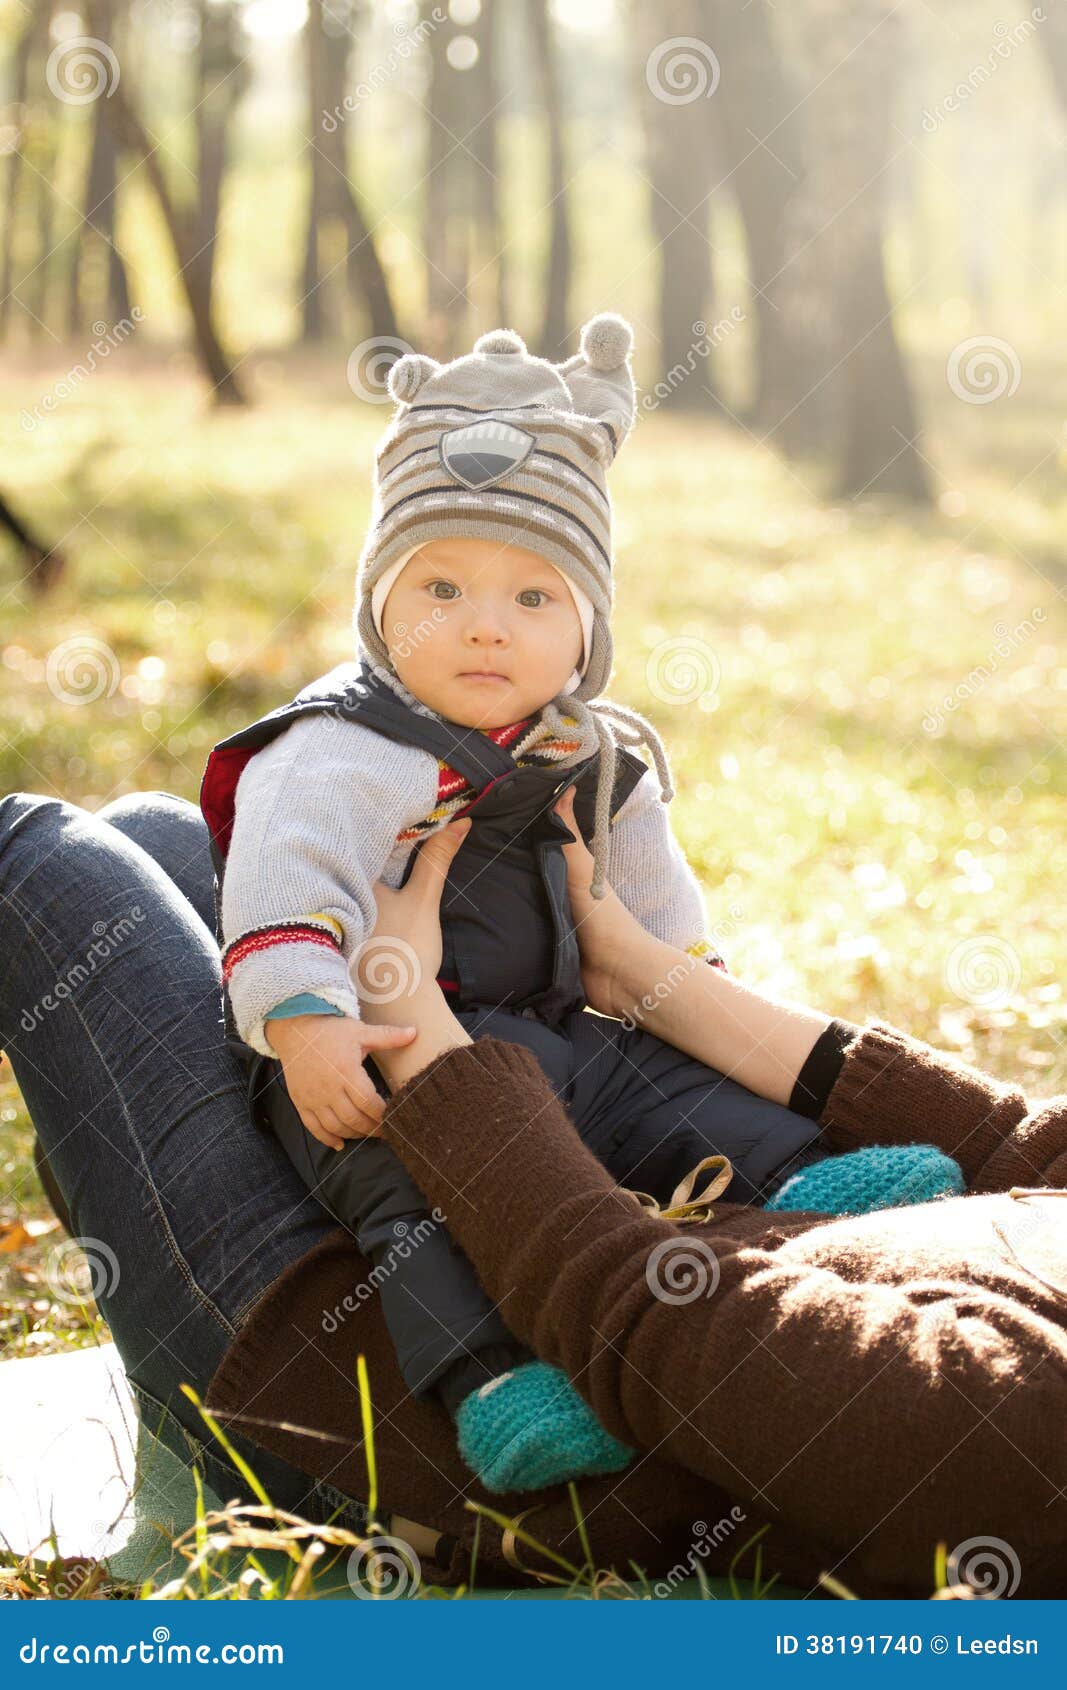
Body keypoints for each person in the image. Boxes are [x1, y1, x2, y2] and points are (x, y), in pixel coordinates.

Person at [203, 314, 959, 1493]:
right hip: (377, 1046)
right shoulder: (343, 749)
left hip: (558, 1027)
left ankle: (796, 1180)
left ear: (586, 629)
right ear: (377, 607)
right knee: (416, 1196)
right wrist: (305, 1027)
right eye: (439, 586)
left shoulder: (592, 751)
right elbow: (279, 882)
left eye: (533, 596)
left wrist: (682, 976)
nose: (485, 622)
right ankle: (495, 1377)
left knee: (660, 1084)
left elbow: (650, 901)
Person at [3, 788, 1064, 1595]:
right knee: (175, 837)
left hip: (361, 1382)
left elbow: (628, 1310)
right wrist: (640, 971)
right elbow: (1018, 1142)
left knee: (35, 862)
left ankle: (209, 1417)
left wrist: (410, 1010)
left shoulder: (1017, 1437)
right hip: (514, 1222)